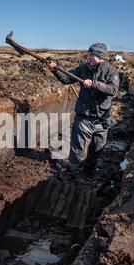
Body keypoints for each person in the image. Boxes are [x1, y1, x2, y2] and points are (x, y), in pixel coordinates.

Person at [48, 43, 119, 175]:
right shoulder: (83, 68)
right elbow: (67, 79)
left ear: (100, 57)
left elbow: (113, 90)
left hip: (102, 118)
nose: (89, 57)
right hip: (84, 116)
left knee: (97, 148)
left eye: (92, 55)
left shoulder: (111, 71)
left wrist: (94, 84)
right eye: (89, 55)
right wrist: (55, 70)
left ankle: (89, 172)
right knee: (78, 150)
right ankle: (73, 173)